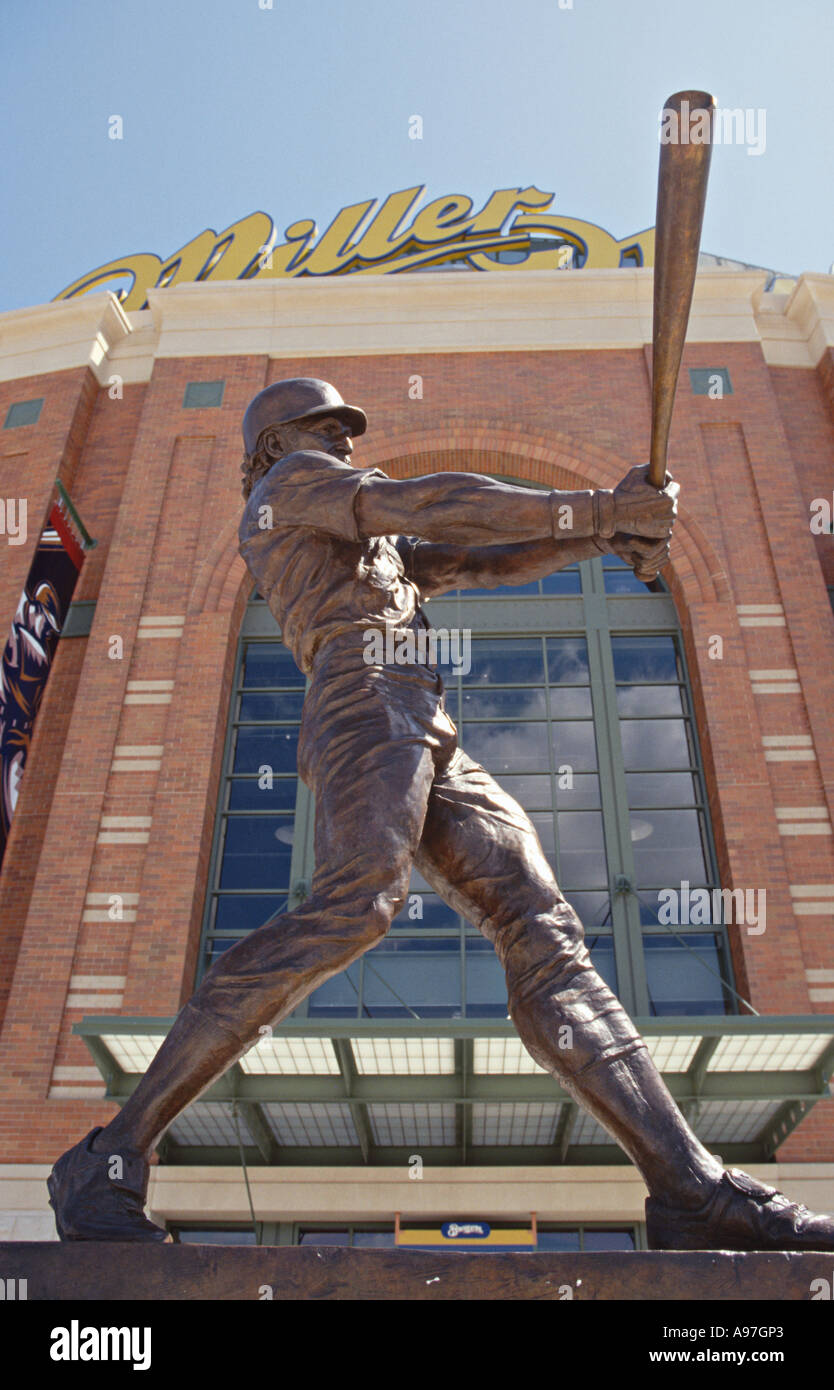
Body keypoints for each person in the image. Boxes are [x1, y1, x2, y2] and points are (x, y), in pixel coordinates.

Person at [49, 378, 834, 1252]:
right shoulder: (289, 492)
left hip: (419, 712)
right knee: (358, 904)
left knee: (542, 930)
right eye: (325, 429)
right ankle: (110, 1155)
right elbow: (435, 501)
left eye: (344, 432)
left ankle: (688, 1185)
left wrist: (609, 532)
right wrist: (596, 507)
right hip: (363, 699)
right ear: (274, 446)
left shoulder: (356, 535)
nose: (344, 443)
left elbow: (469, 559)